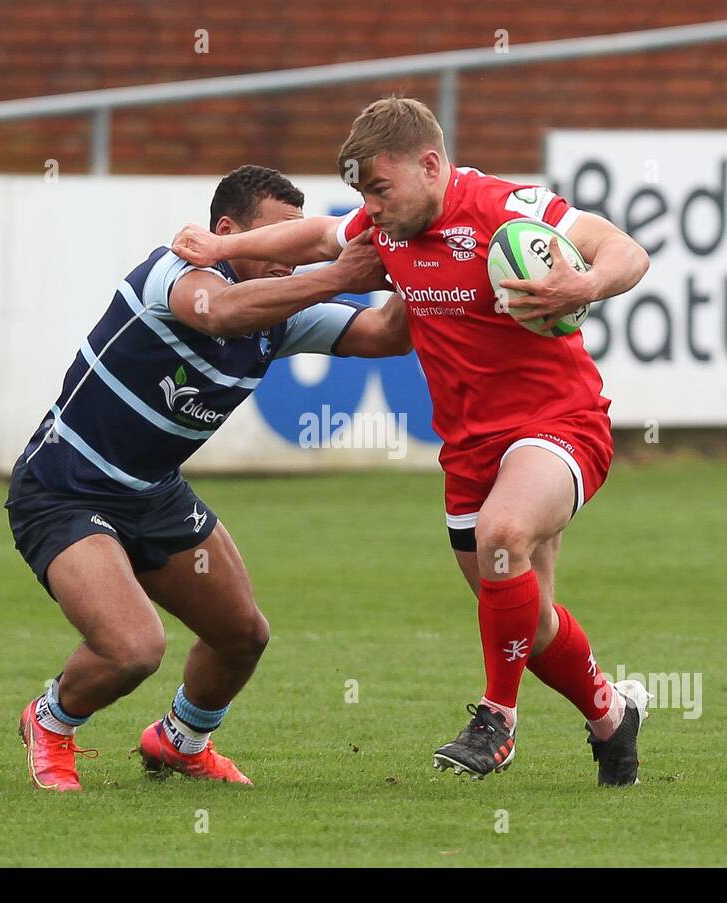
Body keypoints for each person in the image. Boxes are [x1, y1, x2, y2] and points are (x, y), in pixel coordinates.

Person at [171, 99, 655, 785]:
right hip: (469, 449)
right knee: (529, 618)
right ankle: (611, 717)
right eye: (362, 193)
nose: (370, 207)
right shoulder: (383, 225)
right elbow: (314, 238)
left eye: (379, 188)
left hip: (560, 423)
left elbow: (626, 250)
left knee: (502, 533)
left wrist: (587, 281)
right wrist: (222, 248)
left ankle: (497, 721)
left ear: (431, 165)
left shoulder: (504, 206)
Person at [8, 165, 408, 790]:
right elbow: (221, 313)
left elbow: (387, 335)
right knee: (134, 647)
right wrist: (336, 275)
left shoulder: (281, 310)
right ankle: (51, 721)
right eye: (277, 240)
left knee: (241, 635)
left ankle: (179, 741)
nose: (287, 257)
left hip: (154, 494)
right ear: (228, 232)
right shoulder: (173, 272)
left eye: (295, 243)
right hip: (65, 490)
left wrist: (426, 263)